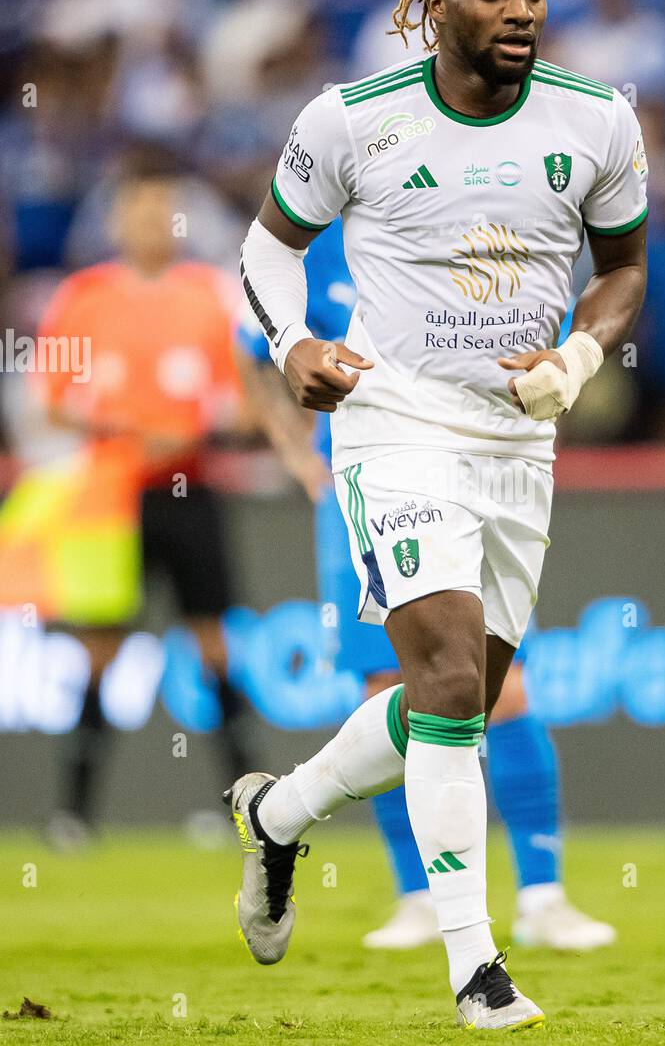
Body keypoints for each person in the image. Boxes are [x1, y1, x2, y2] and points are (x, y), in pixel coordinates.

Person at [230, 0, 648, 1030]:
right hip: (393, 421)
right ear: (429, 7)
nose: (520, 9)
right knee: (458, 682)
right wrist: (293, 342)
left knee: (441, 704)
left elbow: (623, 274)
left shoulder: (599, 120)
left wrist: (579, 353)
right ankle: (478, 967)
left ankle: (278, 816)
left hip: (521, 436)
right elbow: (266, 250)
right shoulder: (352, 121)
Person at [235, 215, 617, 952]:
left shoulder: (488, 228)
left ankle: (541, 895)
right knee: (388, 686)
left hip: (478, 478)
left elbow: (556, 355)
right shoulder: (317, 249)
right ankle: (416, 898)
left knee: (497, 688)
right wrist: (297, 457)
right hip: (367, 479)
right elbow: (252, 350)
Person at [36, 155, 251, 845]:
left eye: (164, 210)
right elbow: (53, 404)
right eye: (139, 210)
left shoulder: (210, 297)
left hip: (191, 496)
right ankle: (75, 815)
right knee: (99, 649)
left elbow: (244, 408)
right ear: (119, 218)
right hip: (111, 502)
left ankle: (241, 805)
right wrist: (131, 432)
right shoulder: (84, 298)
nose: (153, 223)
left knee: (214, 646)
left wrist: (187, 432)